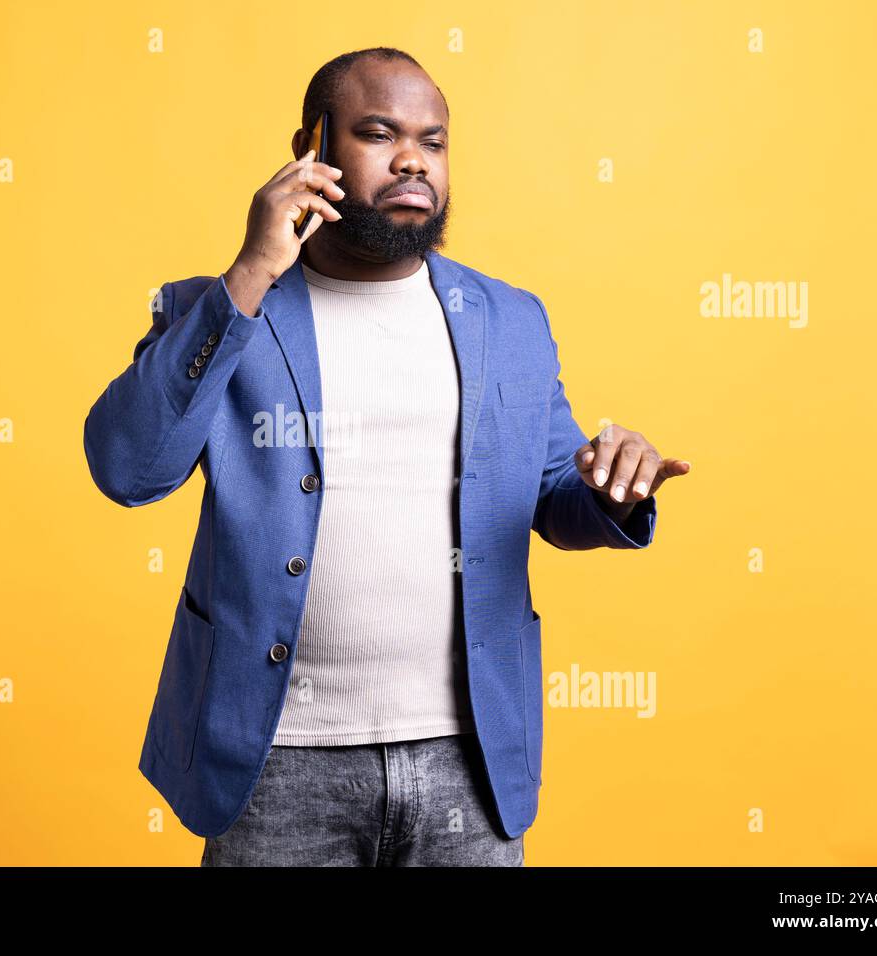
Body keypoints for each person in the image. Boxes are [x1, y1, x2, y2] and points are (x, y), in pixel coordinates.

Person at [83, 46, 691, 866]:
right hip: (274, 763)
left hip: (468, 761)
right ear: (311, 147)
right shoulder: (219, 309)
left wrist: (615, 490)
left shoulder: (510, 319)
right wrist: (253, 269)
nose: (413, 160)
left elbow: (553, 495)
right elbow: (128, 469)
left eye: (432, 142)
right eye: (379, 134)